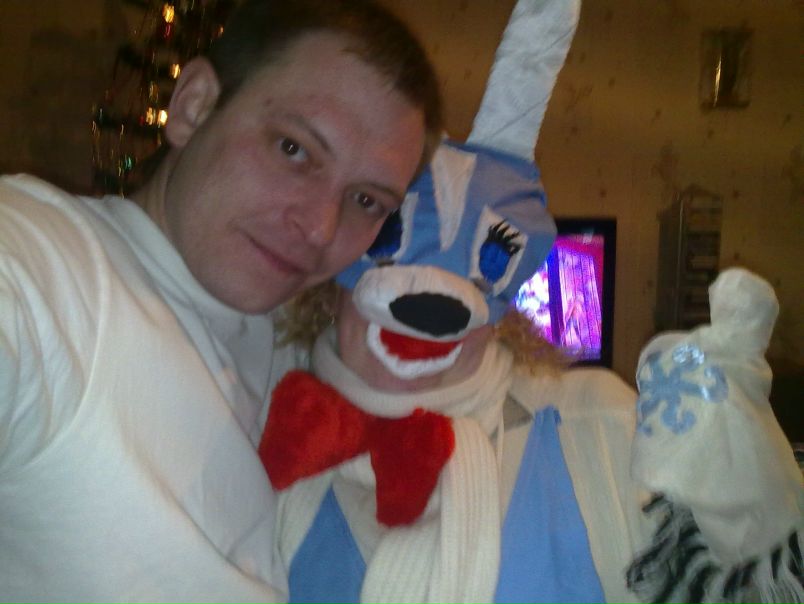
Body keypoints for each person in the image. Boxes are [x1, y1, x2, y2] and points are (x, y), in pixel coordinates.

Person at [0, 0, 442, 601]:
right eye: (293, 149)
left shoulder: (308, 347)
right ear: (193, 106)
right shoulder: (48, 267)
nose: (320, 227)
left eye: (366, 201)